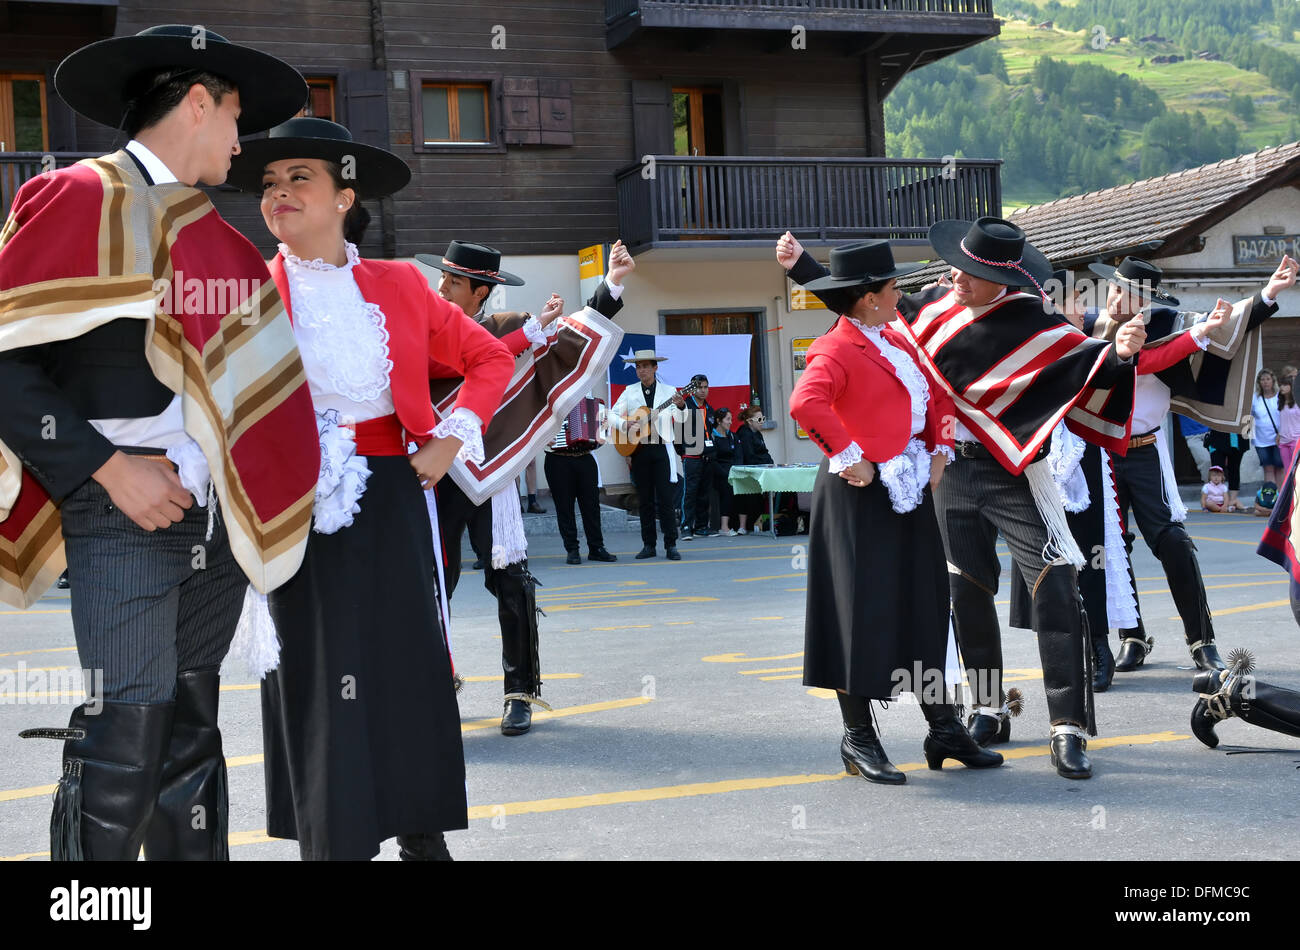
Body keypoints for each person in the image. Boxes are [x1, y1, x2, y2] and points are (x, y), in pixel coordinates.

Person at [1, 26, 319, 861]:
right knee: (126, 732)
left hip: (211, 524)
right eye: (235, 119)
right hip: (122, 516)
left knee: (190, 734)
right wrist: (102, 470)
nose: (242, 144)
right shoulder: (79, 193)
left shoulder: (219, 236)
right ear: (198, 103)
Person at [227, 117, 514, 860]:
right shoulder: (250, 290)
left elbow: (489, 361)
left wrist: (450, 441)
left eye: (300, 179)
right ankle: (335, 834)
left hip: (390, 492)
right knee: (317, 671)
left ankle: (419, 831)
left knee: (403, 665)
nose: (279, 194)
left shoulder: (399, 285)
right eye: (268, 183)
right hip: (292, 504)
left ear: (344, 197)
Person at [782, 219, 1147, 780]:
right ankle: (983, 708)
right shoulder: (930, 312)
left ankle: (1067, 729)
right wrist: (808, 269)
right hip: (943, 479)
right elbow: (864, 306)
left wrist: (1122, 355)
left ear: (1003, 278)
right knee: (961, 594)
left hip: (1015, 471)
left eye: (972, 273)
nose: (956, 278)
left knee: (1055, 587)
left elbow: (1088, 370)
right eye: (957, 265)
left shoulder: (1040, 325)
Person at [787, 240, 1003, 783]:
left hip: (907, 487)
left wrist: (940, 449)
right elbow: (804, 405)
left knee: (925, 605)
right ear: (866, 299)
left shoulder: (895, 339)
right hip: (859, 494)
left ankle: (944, 727)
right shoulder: (834, 349)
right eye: (890, 287)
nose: (899, 293)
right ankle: (858, 738)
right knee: (859, 613)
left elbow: (941, 399)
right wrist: (848, 455)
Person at [417, 239, 631, 736]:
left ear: (480, 290)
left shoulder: (510, 327)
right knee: (432, 583)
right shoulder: (428, 326)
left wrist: (612, 283)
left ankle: (520, 691)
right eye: (442, 278)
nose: (441, 288)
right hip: (436, 476)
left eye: (452, 281)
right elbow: (440, 365)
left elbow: (567, 346)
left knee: (510, 583)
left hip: (493, 475)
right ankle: (434, 680)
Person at [1088, 256, 1295, 674]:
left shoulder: (1168, 323)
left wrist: (1268, 293)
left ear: (1143, 300)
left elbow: (1227, 324)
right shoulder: (1088, 327)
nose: (1114, 297)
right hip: (1098, 452)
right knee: (1108, 549)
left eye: (1124, 291)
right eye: (1112, 288)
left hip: (1144, 450)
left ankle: (1202, 642)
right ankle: (1130, 636)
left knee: (1174, 542)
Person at [609, 351, 688, 560]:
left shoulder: (669, 391)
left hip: (661, 448)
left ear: (655, 368)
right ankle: (648, 545)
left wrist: (681, 405)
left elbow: (681, 418)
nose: (641, 370)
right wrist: (625, 424)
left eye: (645, 366)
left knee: (665, 499)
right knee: (644, 499)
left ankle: (671, 544)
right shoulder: (629, 391)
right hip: (640, 450)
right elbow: (611, 414)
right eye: (638, 367)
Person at [545, 399, 618, 564]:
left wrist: (603, 430)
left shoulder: (591, 404)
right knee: (564, 507)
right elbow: (534, 428)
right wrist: (543, 437)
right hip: (558, 460)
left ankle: (596, 548)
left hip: (585, 458)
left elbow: (601, 437)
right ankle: (572, 549)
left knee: (591, 506)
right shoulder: (548, 404)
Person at [680, 374, 719, 540]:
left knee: (704, 492)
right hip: (692, 457)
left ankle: (702, 526)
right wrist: (683, 452)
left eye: (705, 387)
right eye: (699, 387)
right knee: (690, 492)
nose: (703, 391)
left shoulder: (709, 409)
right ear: (692, 389)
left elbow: (711, 432)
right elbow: (678, 430)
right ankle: (686, 526)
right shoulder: (686, 406)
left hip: (708, 457)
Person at [735, 405, 775, 533]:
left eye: (763, 418)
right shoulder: (744, 434)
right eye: (759, 420)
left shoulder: (758, 434)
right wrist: (766, 463)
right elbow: (750, 457)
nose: (762, 422)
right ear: (749, 421)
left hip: (761, 468)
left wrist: (770, 462)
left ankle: (764, 521)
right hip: (748, 471)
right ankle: (750, 524)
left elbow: (765, 452)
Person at [711, 408, 741, 535]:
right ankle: (724, 526)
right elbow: (712, 460)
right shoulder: (712, 436)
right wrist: (726, 474)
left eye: (731, 419)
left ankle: (741, 525)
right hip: (718, 473)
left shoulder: (732, 436)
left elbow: (738, 456)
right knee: (727, 488)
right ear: (718, 421)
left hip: (733, 471)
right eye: (728, 419)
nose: (730, 422)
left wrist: (736, 471)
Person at [1206, 429, 1250, 512]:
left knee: (1234, 468)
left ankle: (1233, 500)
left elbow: (1247, 417)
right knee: (1217, 469)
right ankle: (1217, 499)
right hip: (1217, 434)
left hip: (1237, 435)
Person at [1253, 368, 1283, 486]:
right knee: (1268, 468)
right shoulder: (1255, 398)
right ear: (1259, 382)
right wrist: (1247, 436)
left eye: (1268, 379)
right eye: (1262, 379)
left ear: (1273, 381)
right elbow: (1248, 415)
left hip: (1279, 438)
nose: (1265, 382)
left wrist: (1283, 433)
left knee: (1280, 467)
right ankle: (1270, 496)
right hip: (1261, 440)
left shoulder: (1280, 396)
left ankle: (1281, 496)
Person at [1277, 376, 1300, 472]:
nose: (1282, 387)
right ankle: (1289, 487)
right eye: (1281, 385)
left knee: (1296, 470)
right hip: (1283, 441)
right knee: (1287, 471)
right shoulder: (1280, 403)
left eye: (1285, 385)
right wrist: (1278, 435)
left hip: (1296, 440)